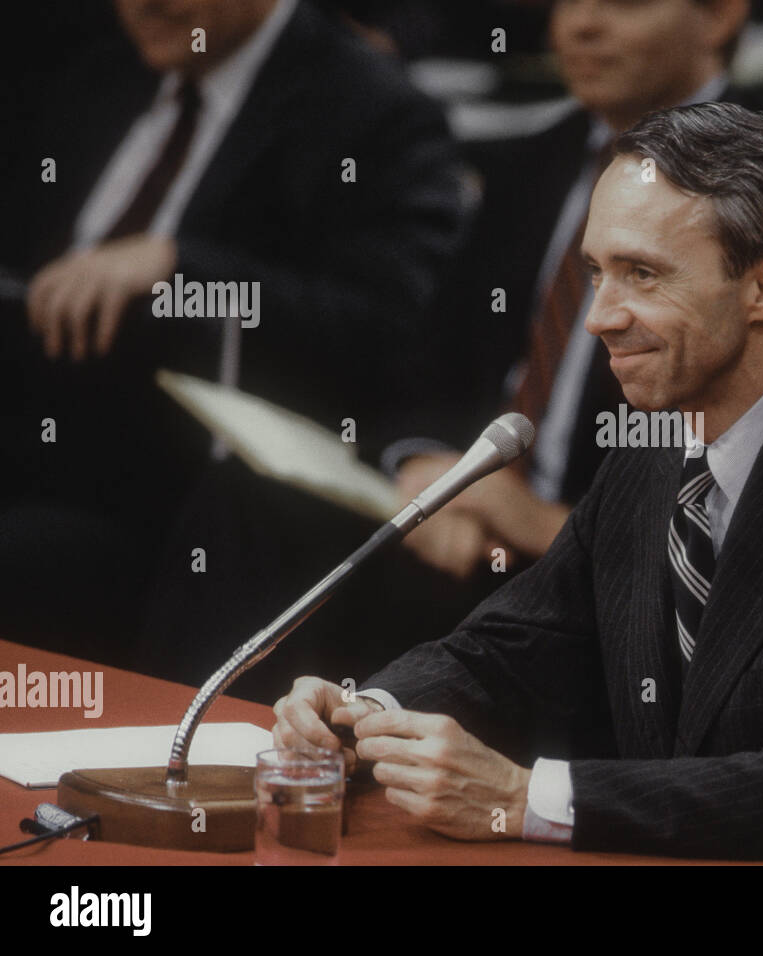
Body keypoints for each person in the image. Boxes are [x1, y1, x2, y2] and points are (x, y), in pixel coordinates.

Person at [272, 103, 763, 865]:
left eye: (642, 275)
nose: (598, 317)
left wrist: (522, 798)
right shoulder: (654, 445)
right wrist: (365, 714)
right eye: (597, 272)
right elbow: (508, 648)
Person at [0, 0, 464, 667]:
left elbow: (390, 328)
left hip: (187, 496)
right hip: (31, 426)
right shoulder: (97, 75)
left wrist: (183, 268)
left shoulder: (369, 108)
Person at [384, 0, 763, 582]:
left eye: (623, 2)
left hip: (656, 594)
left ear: (719, 15)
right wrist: (433, 473)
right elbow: (431, 360)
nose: (579, 25)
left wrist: (555, 529)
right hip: (476, 546)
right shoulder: (533, 159)